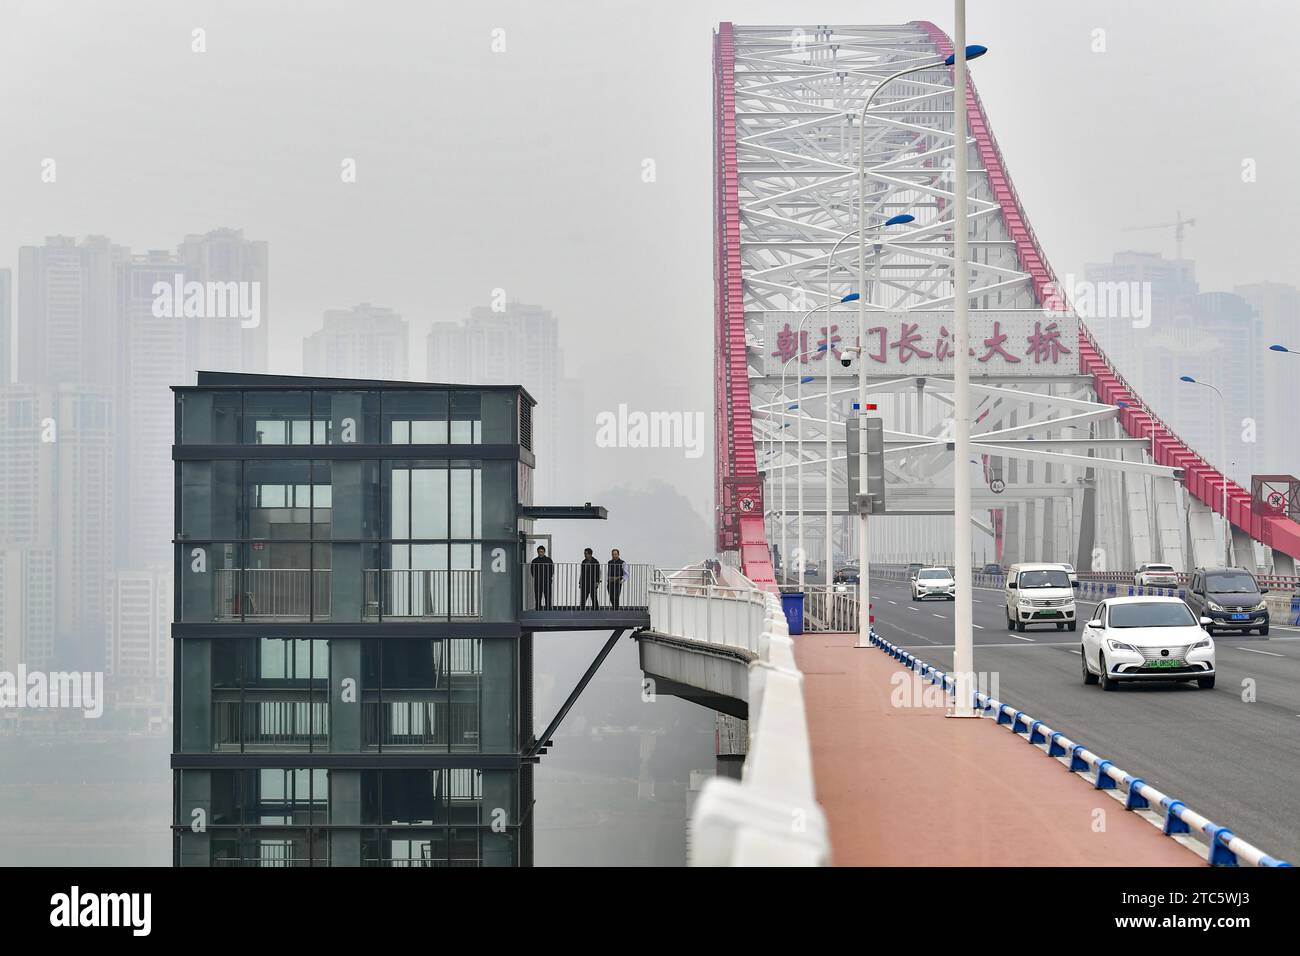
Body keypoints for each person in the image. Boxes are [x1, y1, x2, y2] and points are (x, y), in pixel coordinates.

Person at [529, 545, 554, 609]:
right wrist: (537, 577)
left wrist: (549, 578)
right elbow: (532, 571)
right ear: (537, 552)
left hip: (547, 581)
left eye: (542, 552)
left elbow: (552, 570)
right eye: (539, 552)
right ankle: (538, 609)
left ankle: (548, 609)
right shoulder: (534, 561)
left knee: (548, 596)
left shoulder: (548, 560)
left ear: (544, 552)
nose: (540, 553)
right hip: (538, 582)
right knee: (538, 596)